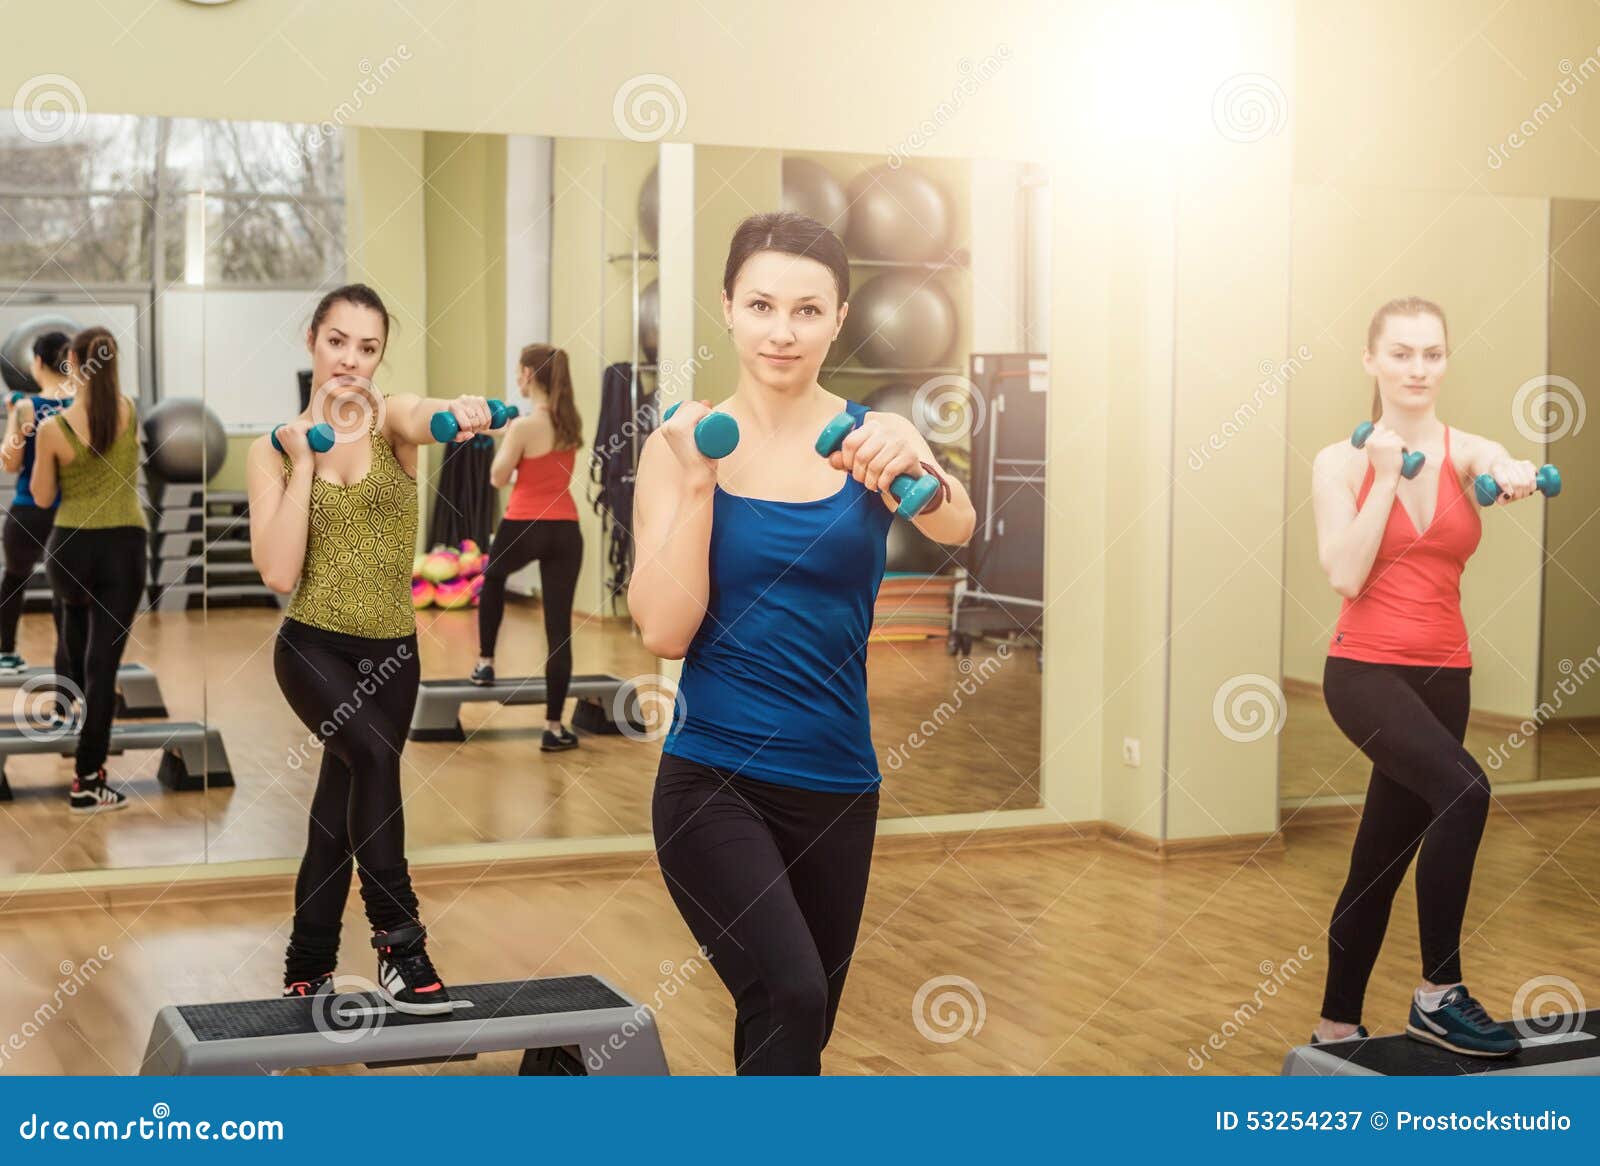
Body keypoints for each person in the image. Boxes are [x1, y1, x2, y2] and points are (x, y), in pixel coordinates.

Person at [630, 211, 977, 1074]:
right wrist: (701, 483)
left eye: (807, 310)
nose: (781, 332)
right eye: (761, 305)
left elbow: (958, 527)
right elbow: (663, 630)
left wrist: (918, 457)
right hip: (713, 778)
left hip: (839, 785)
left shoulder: (869, 441)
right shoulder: (680, 448)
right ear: (728, 307)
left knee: (791, 1033)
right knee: (792, 993)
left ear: (839, 318)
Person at [248, 282, 500, 1013]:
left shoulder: (392, 422)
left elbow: (428, 413)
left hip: (393, 657)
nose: (350, 360)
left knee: (339, 809)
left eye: (367, 347)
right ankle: (400, 945)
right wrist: (305, 462)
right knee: (376, 759)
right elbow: (279, 573)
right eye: (337, 342)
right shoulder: (274, 450)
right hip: (313, 650)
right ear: (312, 341)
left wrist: (463, 411)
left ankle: (307, 964)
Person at [1309, 296, 1536, 1057]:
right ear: (1370, 360)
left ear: (1446, 360)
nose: (1418, 368)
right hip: (1364, 671)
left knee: (1380, 857)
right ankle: (1439, 995)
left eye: (1432, 353)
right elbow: (1345, 575)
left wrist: (1510, 471)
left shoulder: (1464, 450)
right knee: (1467, 792)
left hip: (1446, 674)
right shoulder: (1339, 463)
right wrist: (1381, 479)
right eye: (1401, 353)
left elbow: (1493, 461)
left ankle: (1336, 1024)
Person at [29, 327, 148, 814]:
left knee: (74, 623)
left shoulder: (53, 429)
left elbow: (41, 498)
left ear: (73, 364)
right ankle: (87, 779)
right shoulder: (129, 411)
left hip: (70, 551)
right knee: (105, 666)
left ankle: (68, 696)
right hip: (124, 548)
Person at [471, 343, 585, 753]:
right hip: (565, 530)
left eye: (519, 371)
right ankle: (553, 728)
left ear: (528, 374)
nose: (517, 378)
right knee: (559, 631)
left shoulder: (523, 427)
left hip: (524, 523)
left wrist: (508, 446)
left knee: (493, 578)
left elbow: (498, 478)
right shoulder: (569, 420)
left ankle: (485, 663)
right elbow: (528, 437)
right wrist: (497, 431)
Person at [0, 331, 74, 679]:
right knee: (67, 589)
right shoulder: (82, 408)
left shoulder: (27, 407)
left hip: (28, 510)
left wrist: (12, 416)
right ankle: (70, 661)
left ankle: (5, 654)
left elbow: (9, 462)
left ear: (39, 362)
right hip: (70, 512)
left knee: (14, 578)